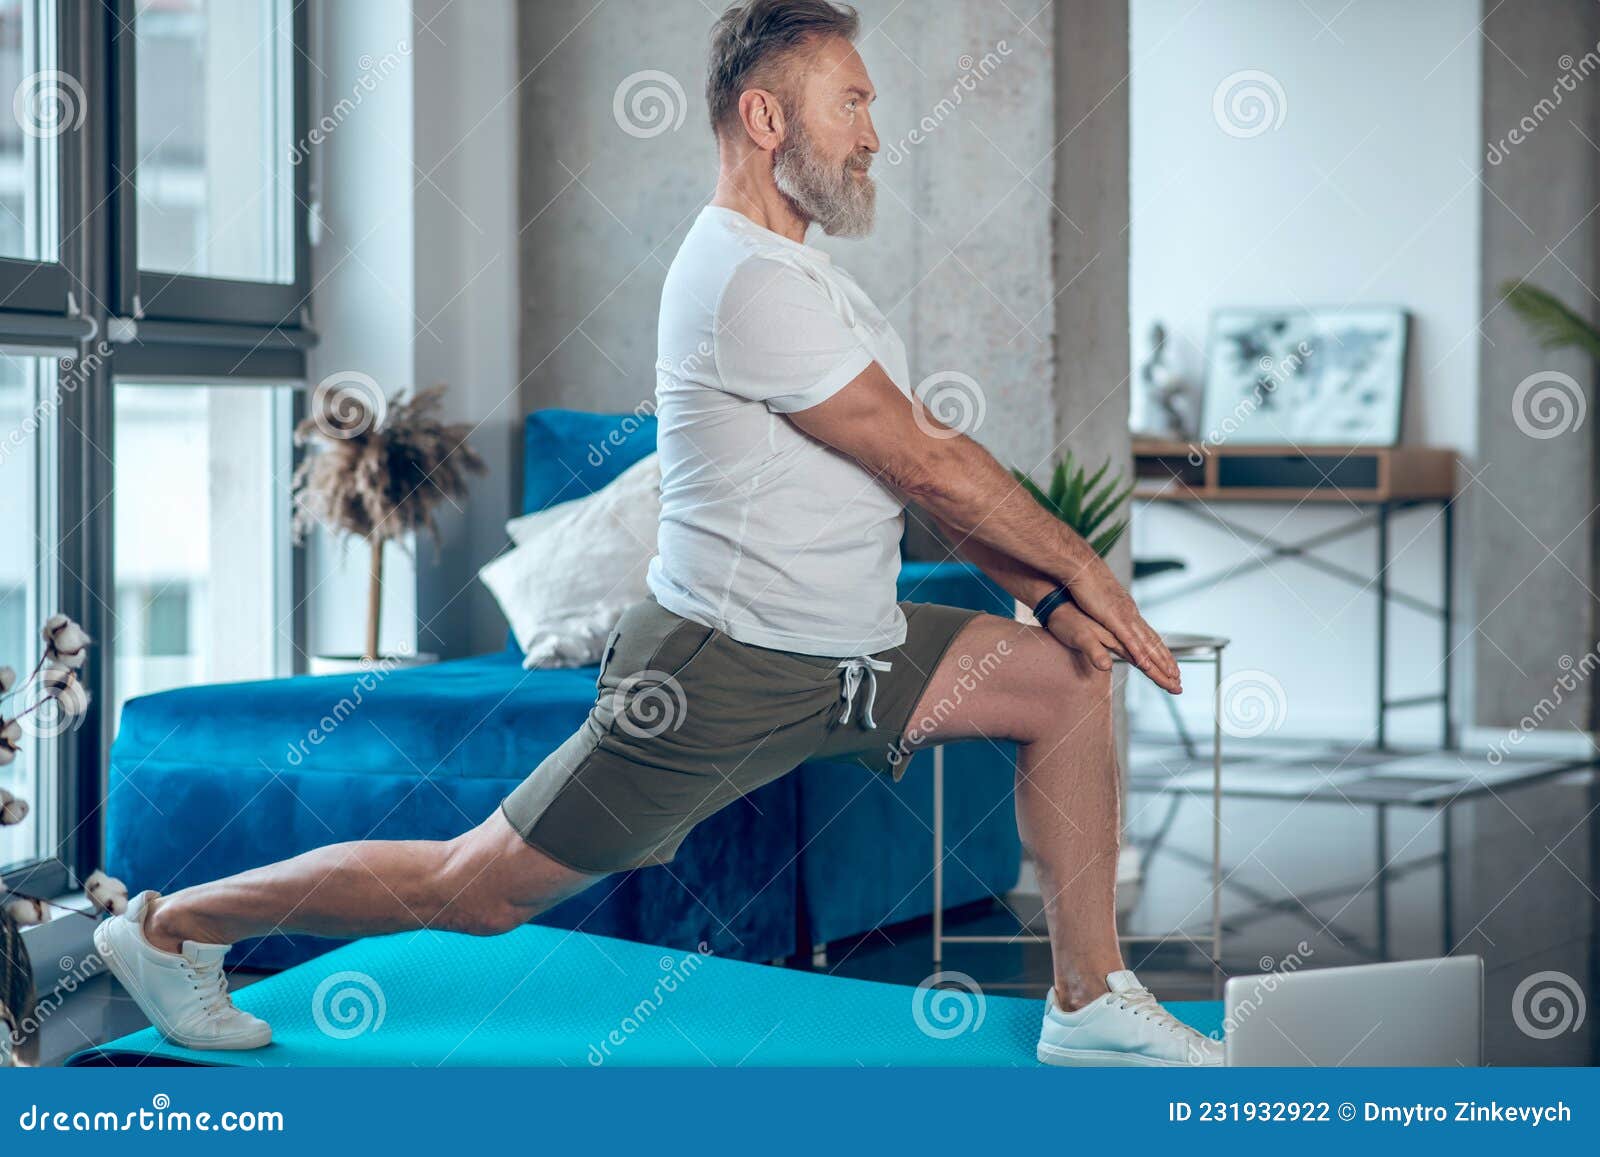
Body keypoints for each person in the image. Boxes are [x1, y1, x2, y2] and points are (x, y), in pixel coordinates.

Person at [96, 0, 1219, 1067]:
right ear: (764, 117)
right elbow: (927, 457)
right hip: (718, 669)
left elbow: (921, 479)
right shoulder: (739, 278)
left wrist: (1065, 603)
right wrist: (1079, 564)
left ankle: (1087, 998)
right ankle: (169, 928)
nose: (876, 136)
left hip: (853, 650)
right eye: (853, 105)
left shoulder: (810, 277)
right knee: (475, 886)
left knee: (1066, 681)